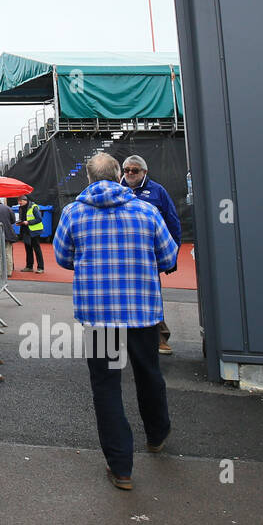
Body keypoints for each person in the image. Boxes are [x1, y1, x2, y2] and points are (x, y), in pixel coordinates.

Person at [52, 152, 179, 491]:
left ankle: (121, 467)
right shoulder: (146, 211)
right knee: (148, 375)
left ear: (90, 179)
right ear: (118, 176)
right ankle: (156, 435)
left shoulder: (73, 213)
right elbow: (169, 256)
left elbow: (63, 257)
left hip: (99, 314)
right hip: (142, 311)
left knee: (106, 387)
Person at [120, 155, 182, 354]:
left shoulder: (157, 191)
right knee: (118, 296)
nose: (130, 173)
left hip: (148, 256)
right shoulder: (115, 189)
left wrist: (173, 255)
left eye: (134, 170)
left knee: (151, 295)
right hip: (120, 255)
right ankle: (123, 340)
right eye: (127, 169)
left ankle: (160, 337)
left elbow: (172, 223)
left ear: (144, 172)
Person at [15, 194, 45, 272]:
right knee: (28, 249)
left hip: (34, 231)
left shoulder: (34, 207)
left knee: (37, 249)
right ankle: (29, 266)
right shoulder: (20, 208)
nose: (19, 202)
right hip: (26, 231)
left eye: (21, 201)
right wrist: (20, 222)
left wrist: (28, 222)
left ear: (25, 200)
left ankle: (40, 267)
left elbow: (39, 219)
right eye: (18, 201)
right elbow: (22, 218)